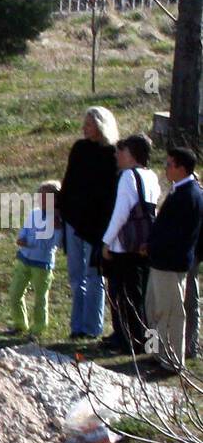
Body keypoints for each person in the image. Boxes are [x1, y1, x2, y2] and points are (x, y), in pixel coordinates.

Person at [57, 107, 120, 340]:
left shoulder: (112, 154)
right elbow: (69, 180)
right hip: (74, 220)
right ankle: (77, 326)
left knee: (94, 276)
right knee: (75, 275)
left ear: (101, 126)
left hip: (97, 226)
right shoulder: (79, 148)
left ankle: (92, 326)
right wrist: (61, 210)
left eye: (89, 124)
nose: (84, 128)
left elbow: (112, 193)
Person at [100, 134, 160, 355]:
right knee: (140, 293)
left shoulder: (127, 177)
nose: (117, 155)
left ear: (132, 154)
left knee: (123, 294)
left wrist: (107, 241)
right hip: (143, 242)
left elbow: (121, 213)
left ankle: (129, 340)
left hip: (125, 245)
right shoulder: (151, 175)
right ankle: (138, 339)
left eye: (121, 152)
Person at [145, 148, 203, 373]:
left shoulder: (189, 195)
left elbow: (177, 234)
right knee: (153, 310)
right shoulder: (178, 191)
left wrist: (154, 245)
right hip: (158, 262)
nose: (166, 168)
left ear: (181, 168)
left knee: (170, 314)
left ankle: (171, 361)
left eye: (169, 164)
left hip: (170, 263)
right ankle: (153, 351)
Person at [7, 181, 63, 338]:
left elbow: (51, 242)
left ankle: (38, 327)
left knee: (40, 298)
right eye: (40, 195)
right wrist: (21, 237)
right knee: (15, 293)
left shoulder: (57, 220)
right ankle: (20, 323)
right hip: (24, 258)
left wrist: (29, 242)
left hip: (42, 263)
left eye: (45, 196)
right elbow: (26, 228)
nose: (41, 199)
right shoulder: (34, 213)